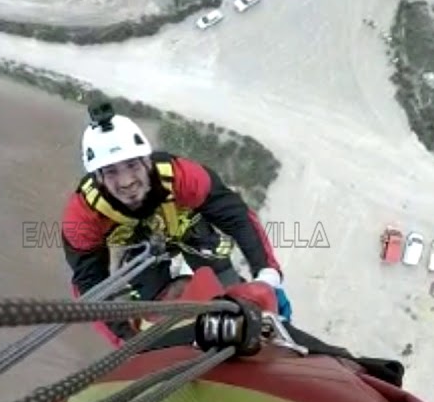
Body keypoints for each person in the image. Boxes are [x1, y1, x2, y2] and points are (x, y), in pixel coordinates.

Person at [60, 101, 291, 347]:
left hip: (186, 229)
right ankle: (170, 318)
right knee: (158, 300)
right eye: (111, 172)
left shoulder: (181, 176)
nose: (126, 181)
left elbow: (237, 216)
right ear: (98, 179)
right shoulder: (82, 215)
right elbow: (89, 285)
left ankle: (249, 306)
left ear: (147, 162)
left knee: (226, 281)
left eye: (132, 165)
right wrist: (127, 340)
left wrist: (266, 274)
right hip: (138, 249)